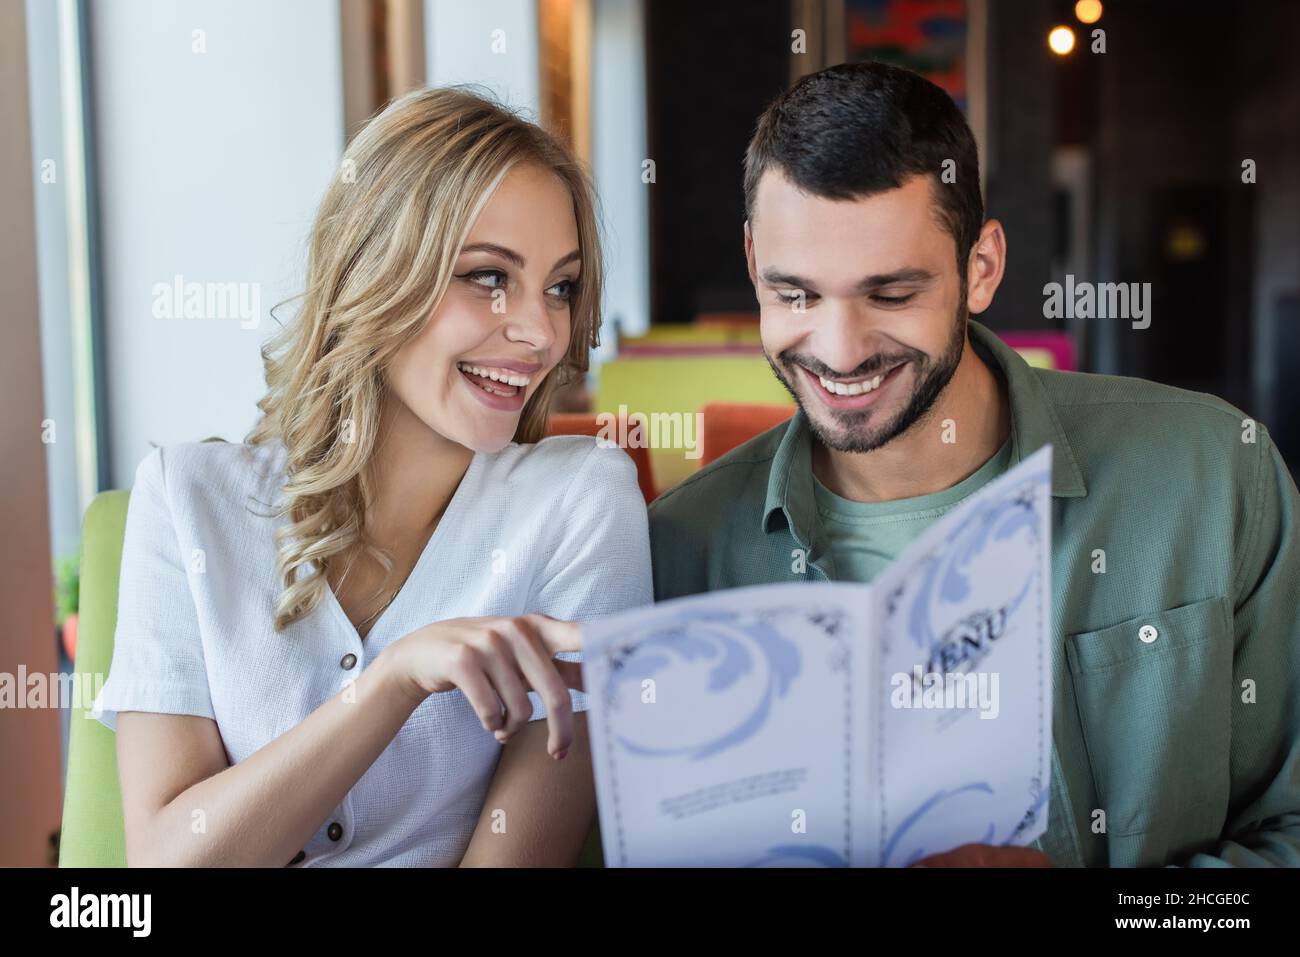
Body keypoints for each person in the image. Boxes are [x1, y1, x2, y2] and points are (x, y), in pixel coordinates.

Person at [648, 61, 1300, 867]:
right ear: (753, 263)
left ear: (980, 267)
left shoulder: (1216, 474)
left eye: (890, 294)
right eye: (796, 295)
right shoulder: (676, 551)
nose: (839, 349)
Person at [91, 87, 652, 867]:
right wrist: (391, 684)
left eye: (560, 287)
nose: (538, 332)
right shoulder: (186, 500)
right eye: (489, 276)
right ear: (374, 272)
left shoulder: (582, 503)